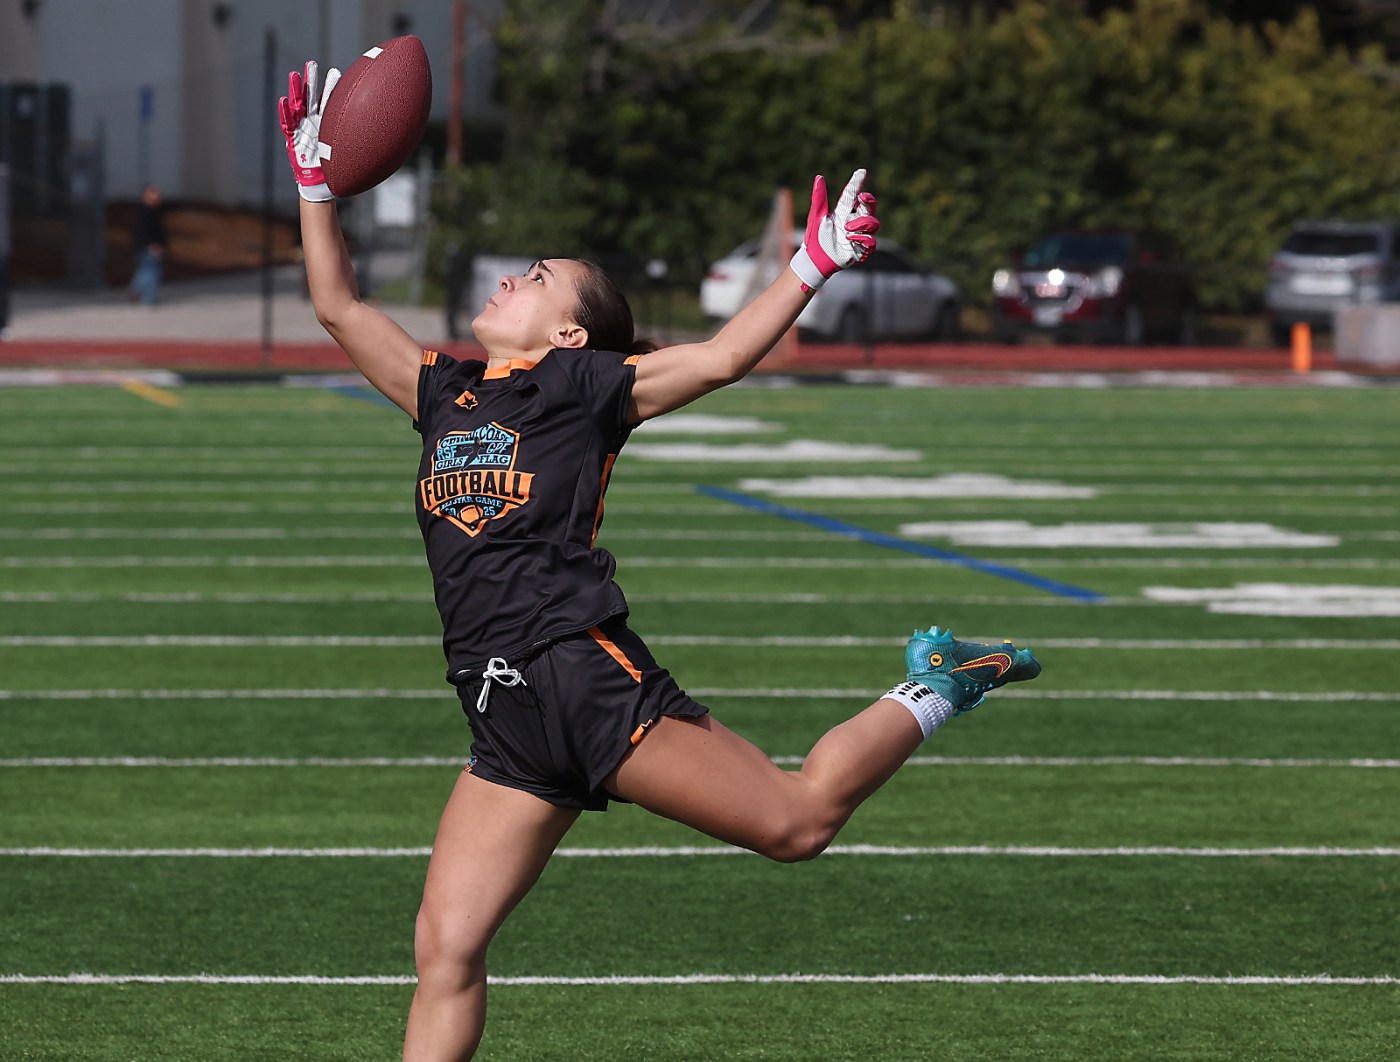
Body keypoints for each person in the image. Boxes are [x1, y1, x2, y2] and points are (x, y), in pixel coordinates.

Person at [279, 61, 1042, 1061]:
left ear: (566, 331)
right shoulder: (444, 389)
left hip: (579, 673)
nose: (510, 274)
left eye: (538, 276)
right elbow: (337, 306)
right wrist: (316, 189)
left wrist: (806, 267)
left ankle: (939, 683)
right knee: (445, 949)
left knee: (797, 821)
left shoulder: (588, 387)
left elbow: (722, 357)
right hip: (498, 704)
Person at [128, 183, 167, 306]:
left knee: (145, 271)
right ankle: (149, 299)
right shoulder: (143, 212)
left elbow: (159, 231)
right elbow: (142, 232)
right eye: (155, 193)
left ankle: (135, 290)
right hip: (146, 248)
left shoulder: (154, 211)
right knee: (151, 272)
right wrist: (152, 246)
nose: (158, 196)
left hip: (151, 247)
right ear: (146, 195)